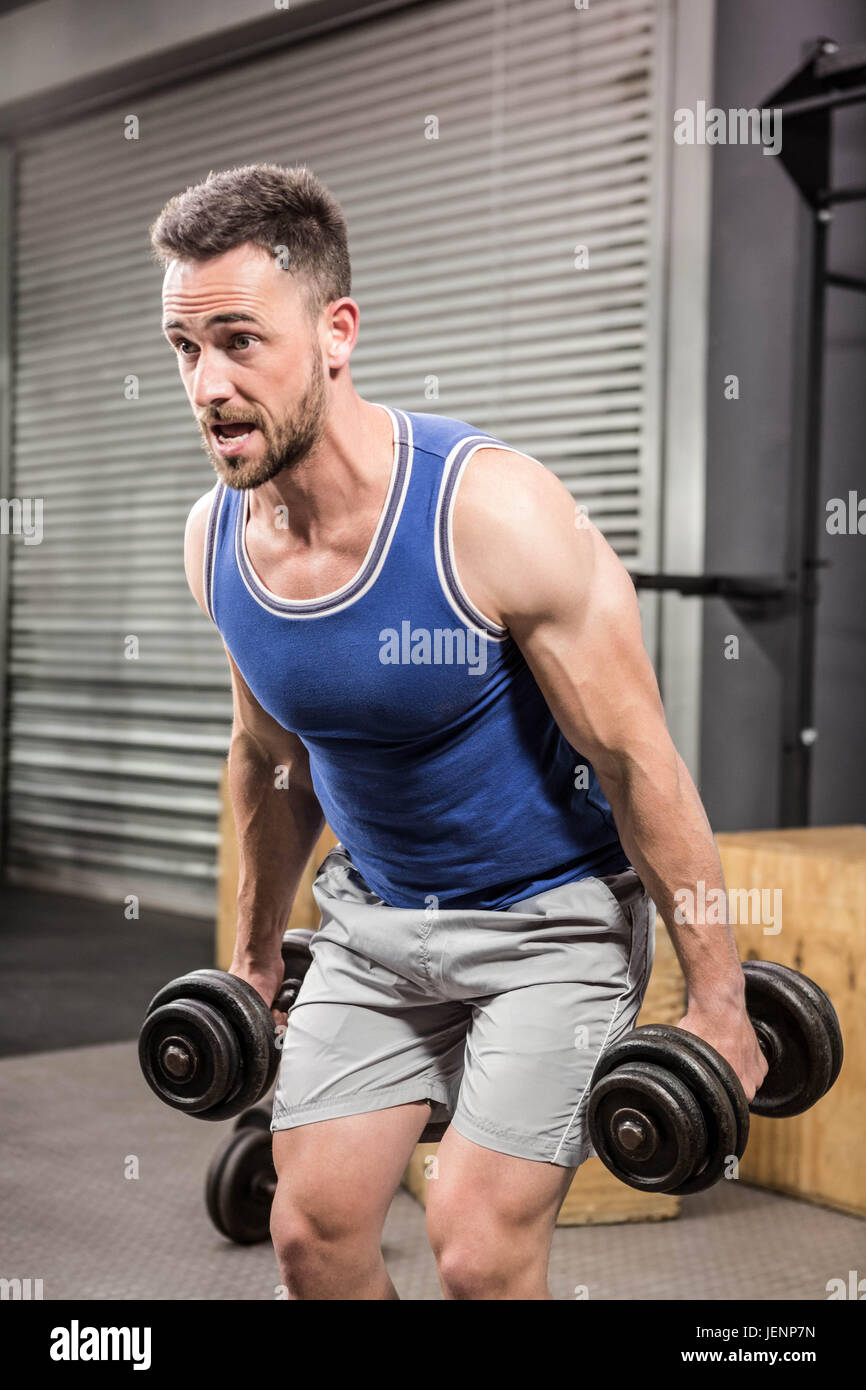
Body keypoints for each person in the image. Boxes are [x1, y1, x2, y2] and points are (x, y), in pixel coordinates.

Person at [150, 162, 767, 1300]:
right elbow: (275, 765)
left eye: (241, 340)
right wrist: (249, 955)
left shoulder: (489, 511)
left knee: (477, 1251)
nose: (208, 384)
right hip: (374, 928)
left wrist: (716, 997)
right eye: (186, 348)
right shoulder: (215, 540)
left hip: (550, 928)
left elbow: (635, 763)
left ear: (335, 333)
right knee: (312, 1238)